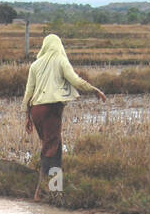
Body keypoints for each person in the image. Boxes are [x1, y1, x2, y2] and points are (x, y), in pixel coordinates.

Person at [22, 34, 105, 201]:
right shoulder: (60, 60)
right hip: (51, 109)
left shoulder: (35, 65)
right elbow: (75, 80)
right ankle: (40, 191)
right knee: (50, 148)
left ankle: (56, 188)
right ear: (58, 45)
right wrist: (94, 89)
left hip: (36, 111)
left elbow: (28, 93)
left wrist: (27, 116)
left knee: (56, 147)